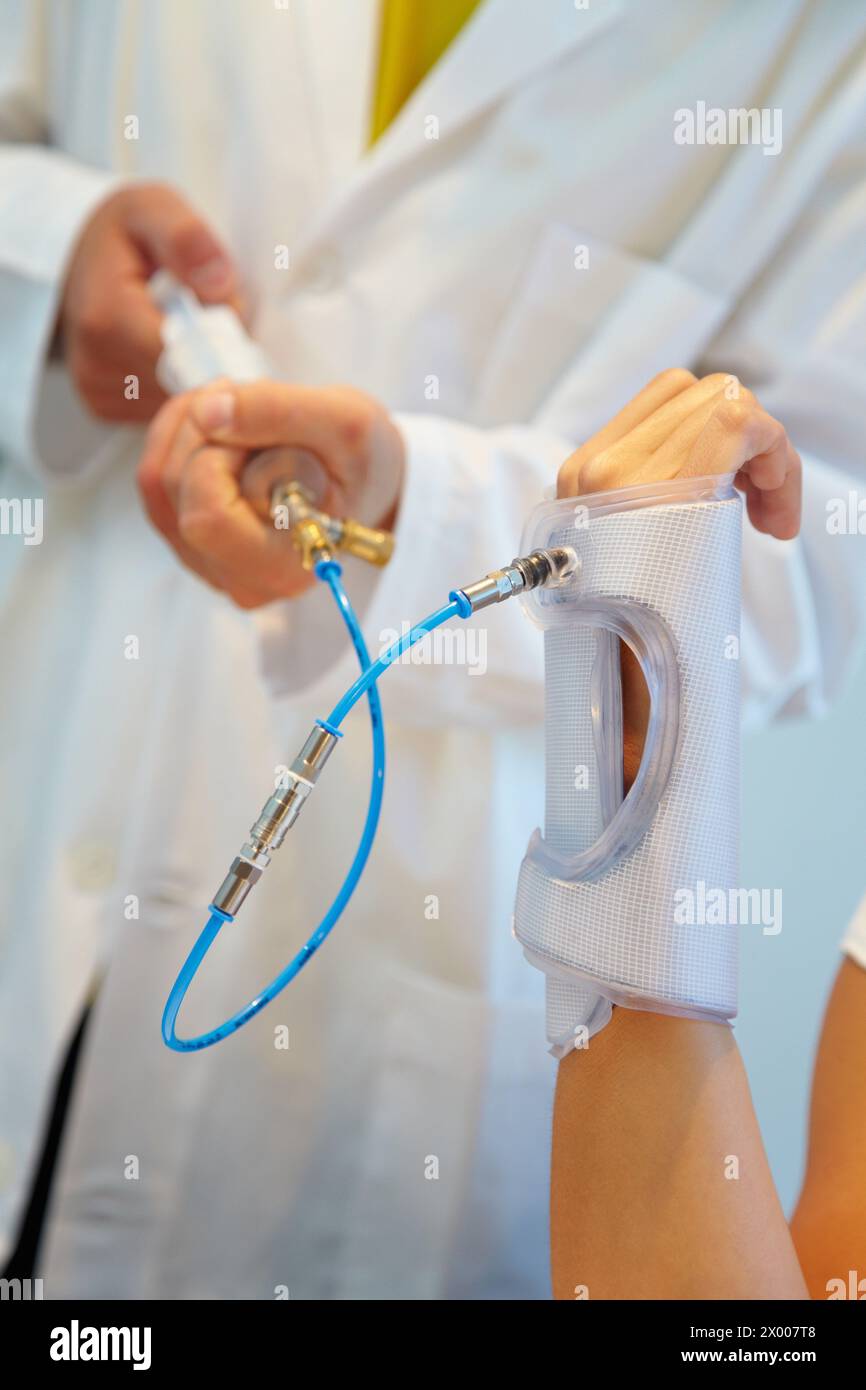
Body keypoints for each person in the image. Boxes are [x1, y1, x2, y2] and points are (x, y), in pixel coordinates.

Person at [1, 0, 865, 1300]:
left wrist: (416, 504)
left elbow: (814, 544)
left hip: (415, 966)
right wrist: (51, 258)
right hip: (69, 770)